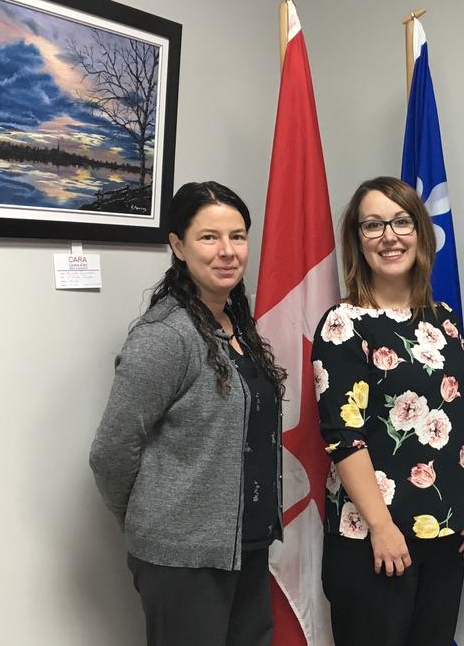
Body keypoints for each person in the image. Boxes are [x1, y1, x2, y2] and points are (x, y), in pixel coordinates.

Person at [89, 181, 283, 646]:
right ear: (177, 245)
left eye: (237, 236)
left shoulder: (236, 325)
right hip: (183, 559)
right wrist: (155, 519)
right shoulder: (165, 336)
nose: (227, 251)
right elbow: (111, 451)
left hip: (245, 547)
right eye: (209, 237)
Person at [311, 176, 464, 646]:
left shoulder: (443, 319)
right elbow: (342, 438)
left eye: (402, 221)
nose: (390, 236)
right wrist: (382, 528)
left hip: (447, 532)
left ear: (422, 234)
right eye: (373, 225)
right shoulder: (344, 325)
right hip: (375, 539)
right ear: (357, 241)